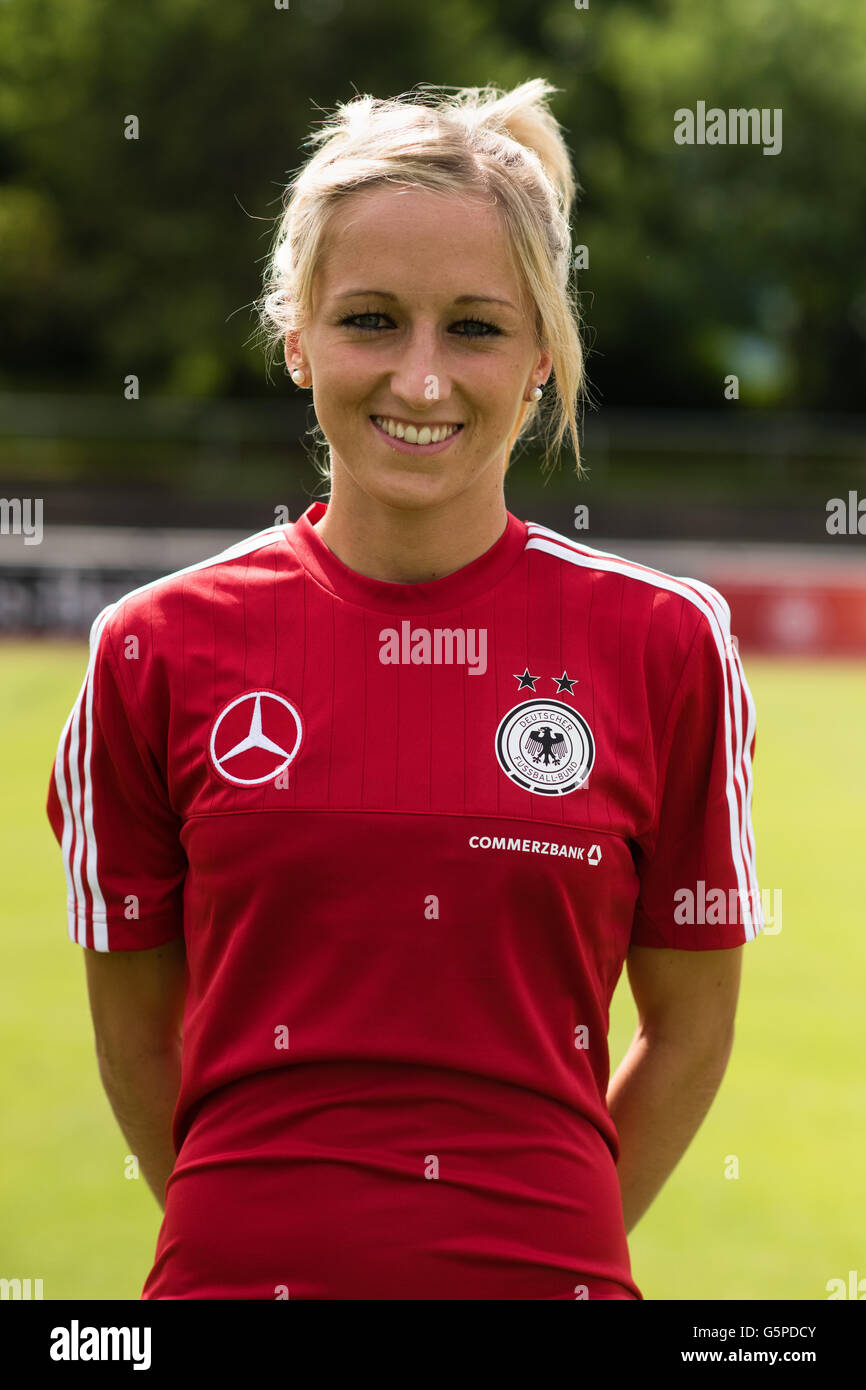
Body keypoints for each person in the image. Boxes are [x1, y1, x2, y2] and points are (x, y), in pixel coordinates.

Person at [45, 78, 762, 1301]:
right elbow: (135, 1042)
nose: (419, 380)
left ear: (541, 354)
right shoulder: (147, 649)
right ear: (295, 336)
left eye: (474, 328)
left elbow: (688, 1030)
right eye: (370, 320)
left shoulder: (665, 642)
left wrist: (542, 1245)